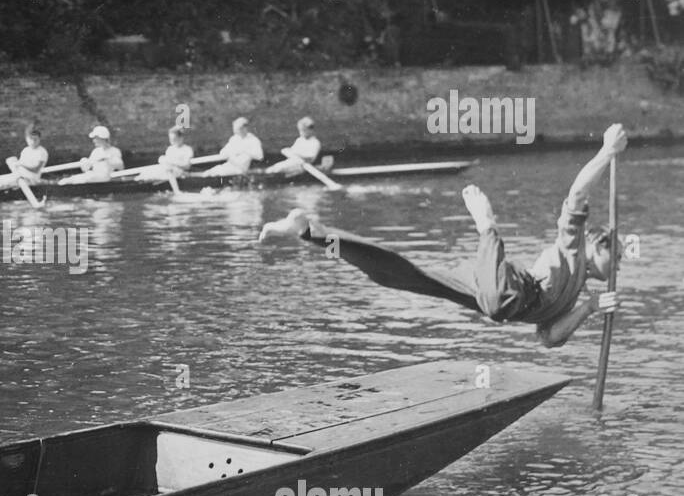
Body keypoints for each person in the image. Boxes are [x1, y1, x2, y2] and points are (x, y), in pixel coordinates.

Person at [258, 124, 628, 347]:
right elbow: (578, 194)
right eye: (619, 258)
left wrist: (589, 309)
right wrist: (606, 151)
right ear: (597, 244)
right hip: (507, 288)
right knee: (499, 301)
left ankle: (312, 233)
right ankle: (486, 225)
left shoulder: (577, 295)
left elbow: (549, 339)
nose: (620, 267)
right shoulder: (573, 248)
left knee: (400, 276)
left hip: (485, 294)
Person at [199, 116, 263, 177]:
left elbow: (260, 156)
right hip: (230, 165)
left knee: (217, 173)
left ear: (244, 128)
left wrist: (244, 151)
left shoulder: (253, 140)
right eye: (236, 130)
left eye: (238, 129)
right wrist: (229, 153)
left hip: (240, 169)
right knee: (207, 173)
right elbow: (222, 152)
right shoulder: (234, 139)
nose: (236, 132)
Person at [0, 125, 48, 189]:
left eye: (35, 139)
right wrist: (15, 164)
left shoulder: (42, 152)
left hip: (31, 180)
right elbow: (20, 167)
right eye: (31, 139)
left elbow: (36, 170)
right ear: (26, 139)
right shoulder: (25, 150)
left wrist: (20, 164)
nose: (33, 142)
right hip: (20, 177)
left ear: (39, 139)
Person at [59, 126, 123, 185]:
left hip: (105, 178)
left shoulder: (114, 151)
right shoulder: (96, 151)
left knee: (87, 177)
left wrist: (107, 159)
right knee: (67, 180)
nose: (94, 140)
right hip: (94, 177)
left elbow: (121, 167)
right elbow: (86, 168)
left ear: (102, 138)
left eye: (96, 138)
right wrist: (84, 162)